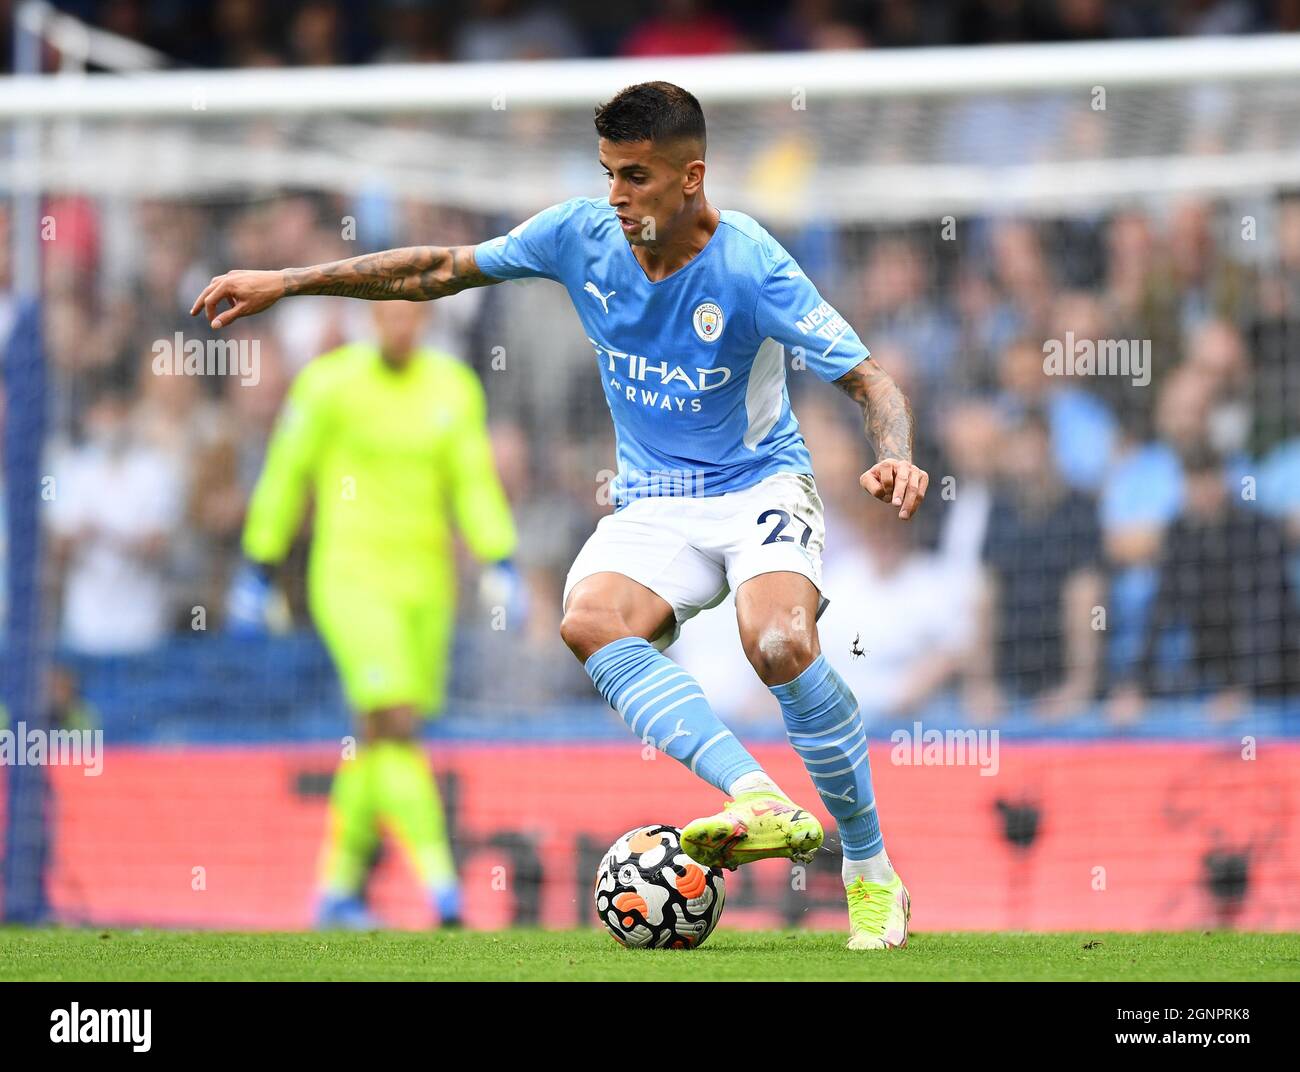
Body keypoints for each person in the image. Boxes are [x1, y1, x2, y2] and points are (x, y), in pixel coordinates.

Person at [191, 81, 928, 951]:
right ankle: (754, 795)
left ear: (691, 178)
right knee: (587, 619)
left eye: (637, 178)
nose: (616, 196)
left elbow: (871, 380)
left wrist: (898, 453)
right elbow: (440, 269)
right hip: (654, 500)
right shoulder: (581, 234)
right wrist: (290, 280)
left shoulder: (752, 263)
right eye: (610, 173)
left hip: (759, 485)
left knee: (776, 642)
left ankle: (870, 869)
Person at [226, 300, 523, 928]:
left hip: (427, 587)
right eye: (385, 309)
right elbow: (287, 472)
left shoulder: (452, 387)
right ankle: (444, 889)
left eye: (409, 310)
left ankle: (335, 891)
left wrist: (500, 559)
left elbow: (471, 480)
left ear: (425, 318)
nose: (397, 321)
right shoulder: (329, 385)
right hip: (351, 579)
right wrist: (259, 562)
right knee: (395, 722)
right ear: (369, 316)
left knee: (376, 736)